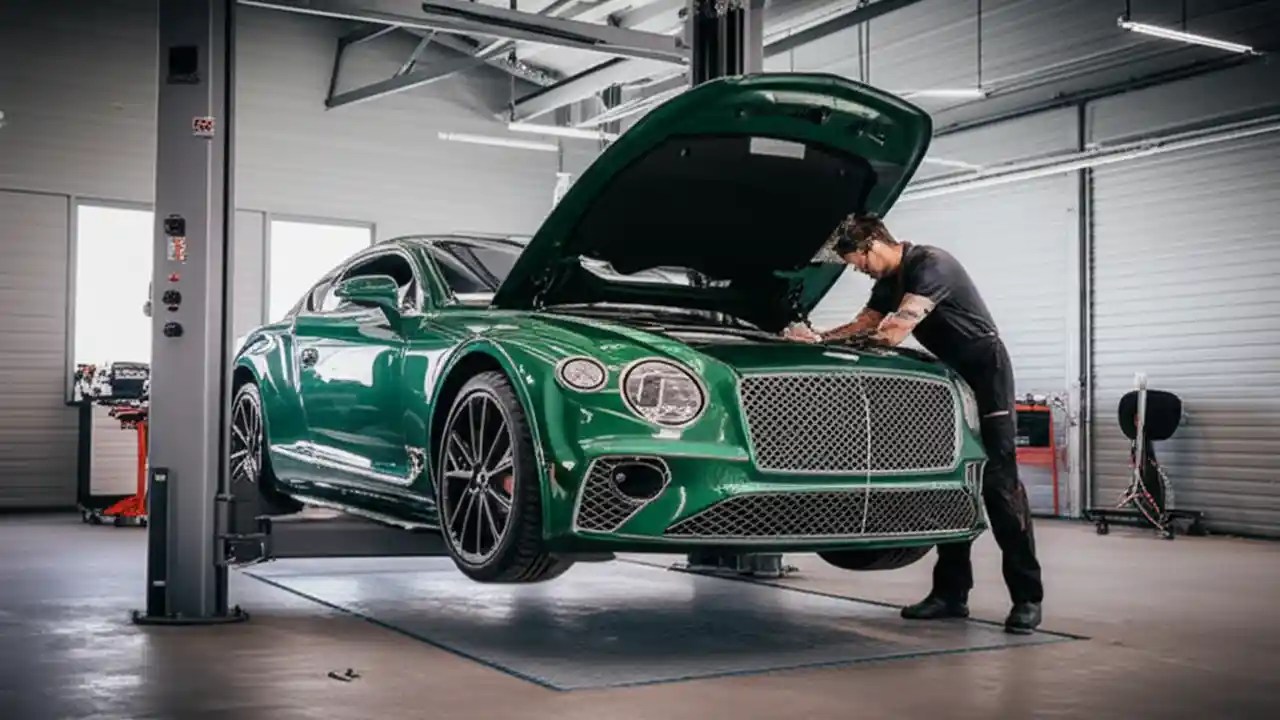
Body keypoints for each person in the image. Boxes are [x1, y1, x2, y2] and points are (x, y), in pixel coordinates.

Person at [785, 213, 1044, 634]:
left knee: (999, 484)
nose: (858, 269)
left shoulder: (930, 264)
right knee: (951, 482)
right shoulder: (888, 281)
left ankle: (1027, 598)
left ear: (874, 243)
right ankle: (951, 594)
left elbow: (892, 333)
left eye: (857, 261)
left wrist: (840, 341)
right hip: (950, 377)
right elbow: (862, 325)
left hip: (986, 373)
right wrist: (814, 342)